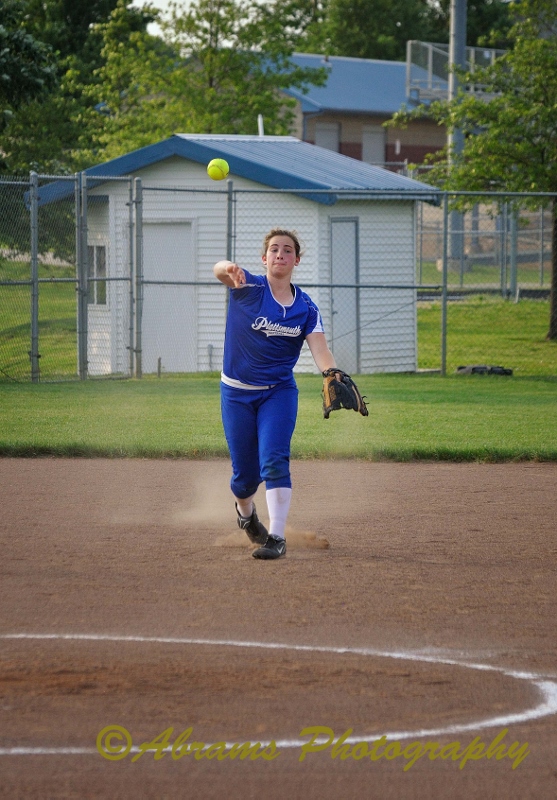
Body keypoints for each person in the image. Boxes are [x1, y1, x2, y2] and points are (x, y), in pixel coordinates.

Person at [213, 228, 337, 560]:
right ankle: (246, 514)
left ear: (296, 259)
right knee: (245, 479)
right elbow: (218, 269)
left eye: (287, 250)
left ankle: (277, 538)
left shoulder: (306, 308)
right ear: (264, 258)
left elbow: (320, 350)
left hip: (278, 393)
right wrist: (229, 268)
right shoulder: (248, 286)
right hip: (237, 394)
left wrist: (333, 374)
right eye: (273, 249)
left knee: (274, 459)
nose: (279, 254)